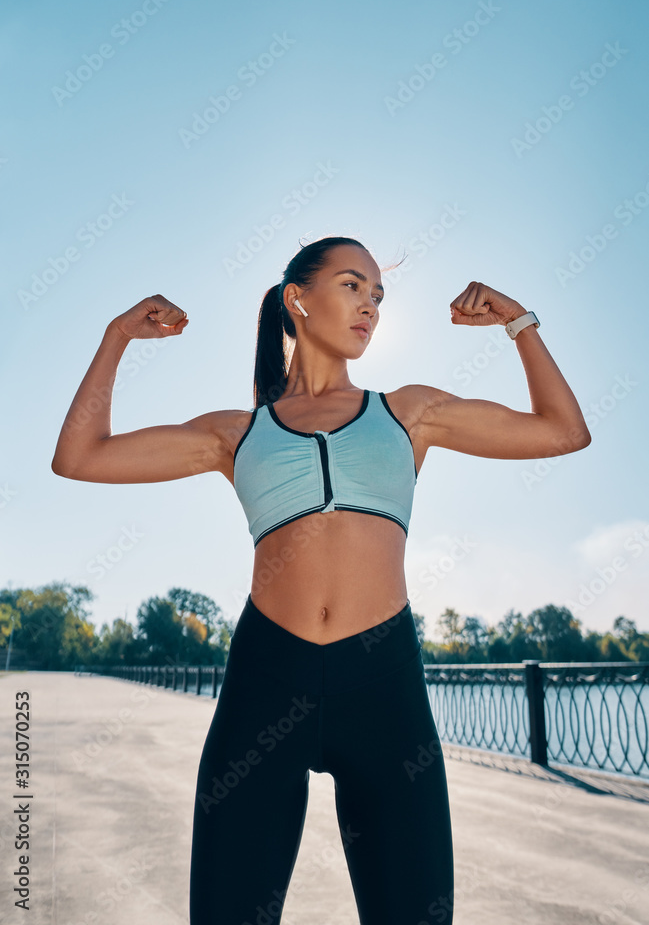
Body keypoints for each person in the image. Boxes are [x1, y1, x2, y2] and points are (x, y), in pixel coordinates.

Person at [52, 235, 591, 924]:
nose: (369, 305)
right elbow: (79, 456)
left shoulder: (409, 412)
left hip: (382, 682)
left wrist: (518, 323)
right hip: (265, 682)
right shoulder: (237, 432)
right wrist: (114, 337)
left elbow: (561, 432)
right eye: (350, 285)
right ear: (296, 300)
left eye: (377, 294)